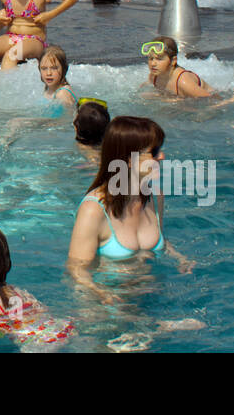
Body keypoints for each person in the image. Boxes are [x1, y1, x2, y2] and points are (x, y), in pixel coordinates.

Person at [67, 117, 189, 289]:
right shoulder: (93, 210)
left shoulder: (154, 196)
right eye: (153, 152)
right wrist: (103, 296)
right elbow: (77, 270)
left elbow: (160, 240)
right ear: (129, 160)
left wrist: (179, 258)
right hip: (105, 304)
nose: (162, 156)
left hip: (148, 298)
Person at [143, 36, 214, 97]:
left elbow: (213, 100)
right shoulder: (154, 76)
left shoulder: (183, 82)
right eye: (150, 58)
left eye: (159, 59)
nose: (153, 63)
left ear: (173, 61)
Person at [38, 45, 78, 112]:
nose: (48, 73)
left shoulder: (62, 94)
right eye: (44, 68)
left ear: (64, 69)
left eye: (54, 68)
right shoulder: (48, 89)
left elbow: (70, 119)